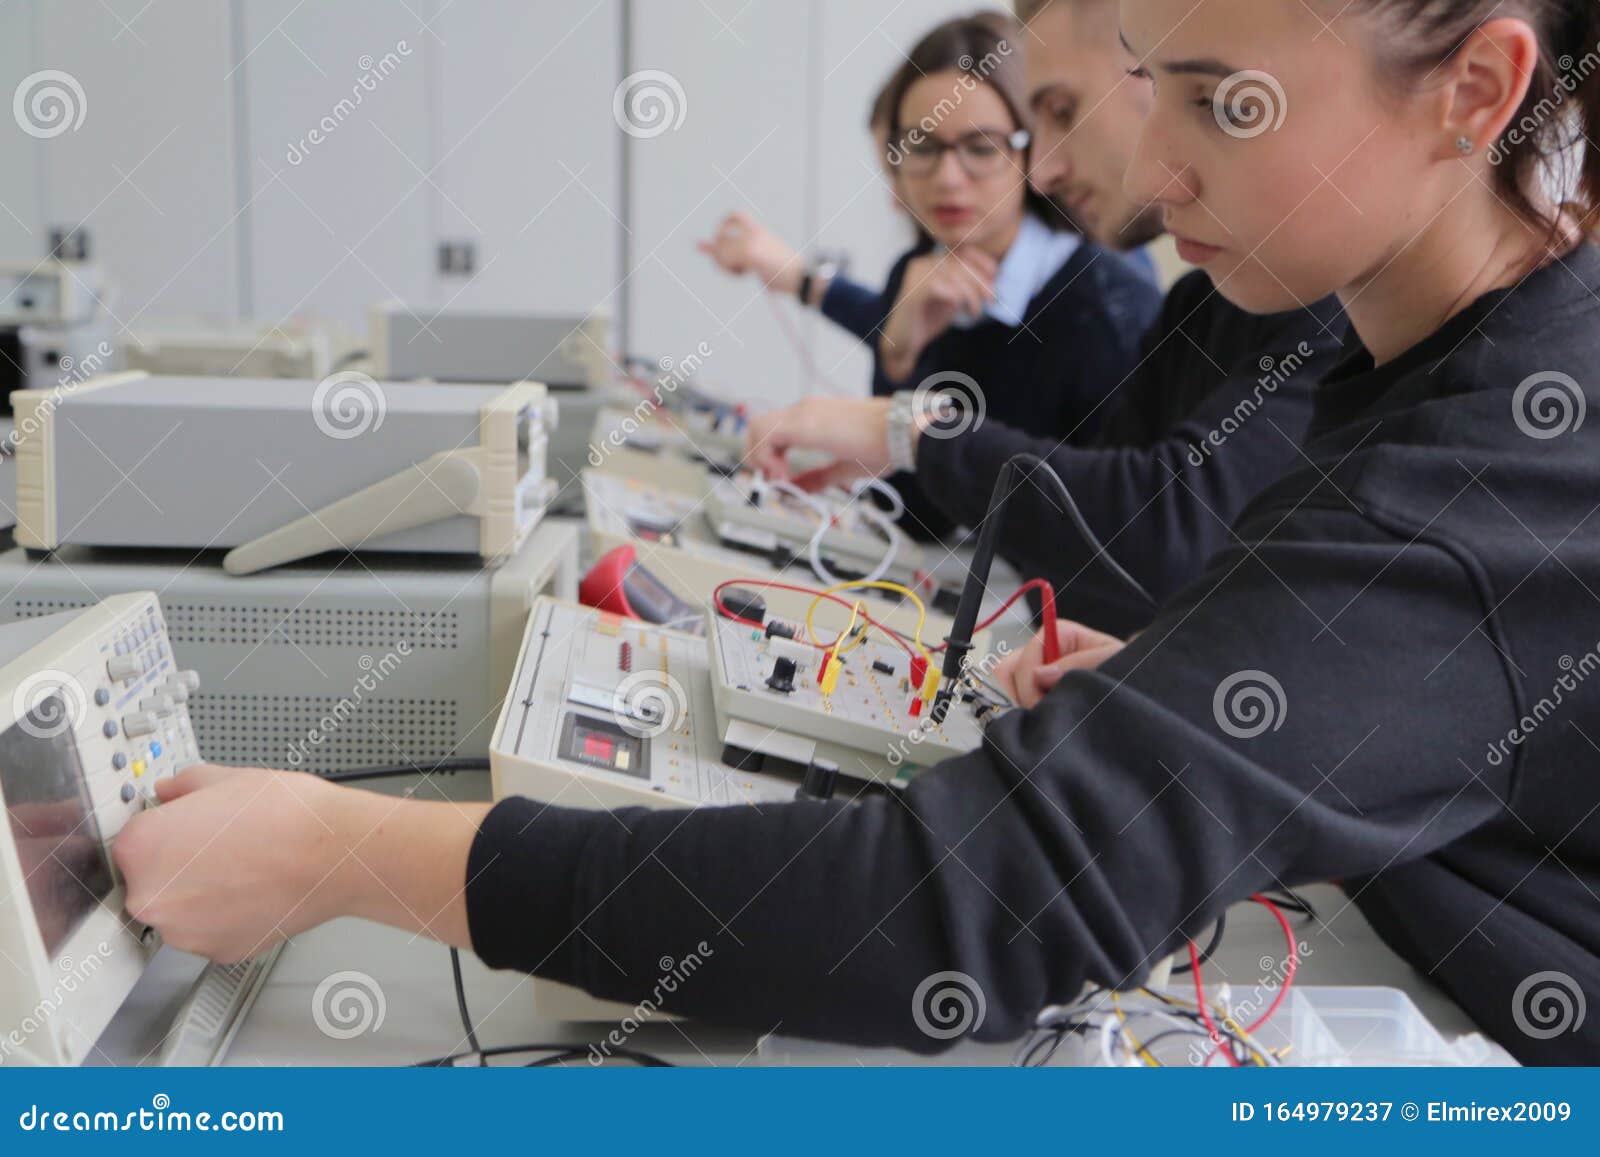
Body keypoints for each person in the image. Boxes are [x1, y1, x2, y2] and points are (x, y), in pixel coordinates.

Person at [115, 0, 1600, 1066]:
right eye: (1149, 88)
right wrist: (1215, 689)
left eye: (1223, 102)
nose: (1143, 177)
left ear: (1477, 89)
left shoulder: (1503, 453)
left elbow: (960, 911)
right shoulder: (1417, 354)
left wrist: (340, 851)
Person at [745, 0, 1347, 637]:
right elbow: (1035, 545)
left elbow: (1149, 530)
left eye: (981, 147)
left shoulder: (1121, 306)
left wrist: (911, 432)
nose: (946, 179)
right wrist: (901, 370)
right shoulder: (1201, 303)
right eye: (919, 148)